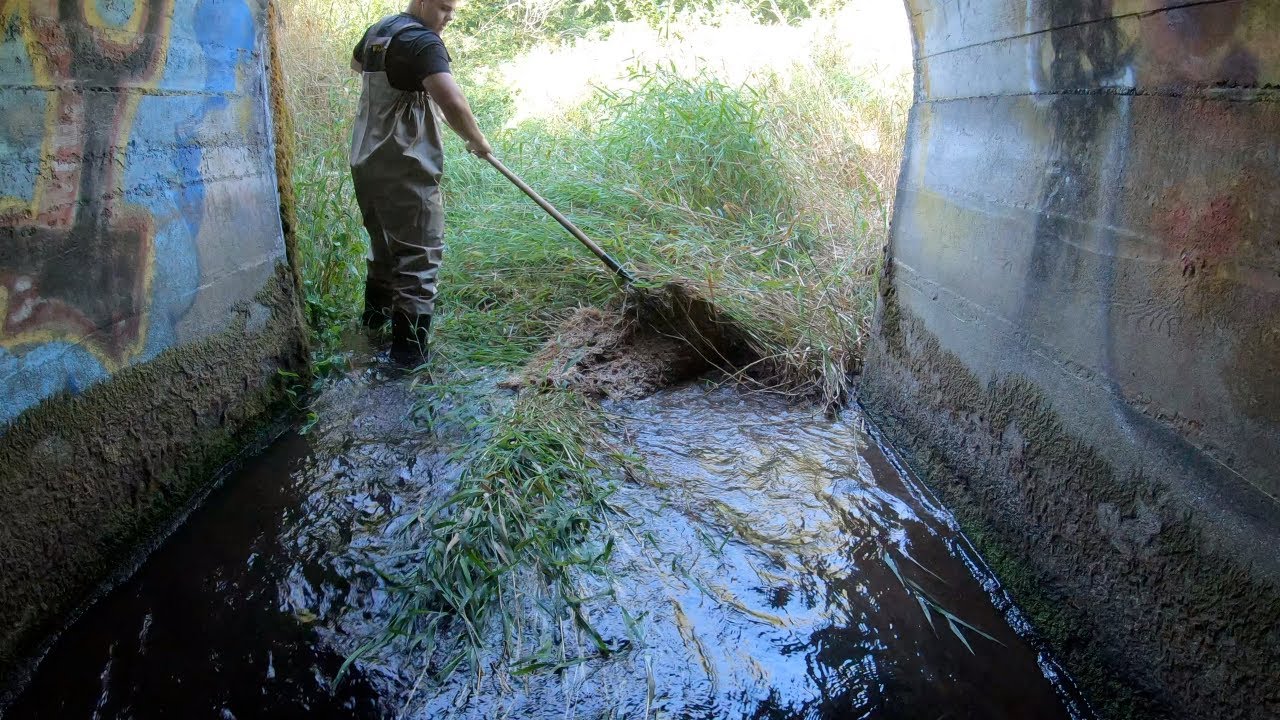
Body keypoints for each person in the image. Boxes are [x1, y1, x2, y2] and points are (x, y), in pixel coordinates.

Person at [349, 0, 492, 364]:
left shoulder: (380, 30)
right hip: (405, 168)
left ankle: (370, 332)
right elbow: (451, 99)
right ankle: (407, 362)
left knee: (383, 251)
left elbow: (356, 65)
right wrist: (476, 139)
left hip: (367, 162)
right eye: (444, 8)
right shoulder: (423, 42)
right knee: (419, 258)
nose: (449, 18)